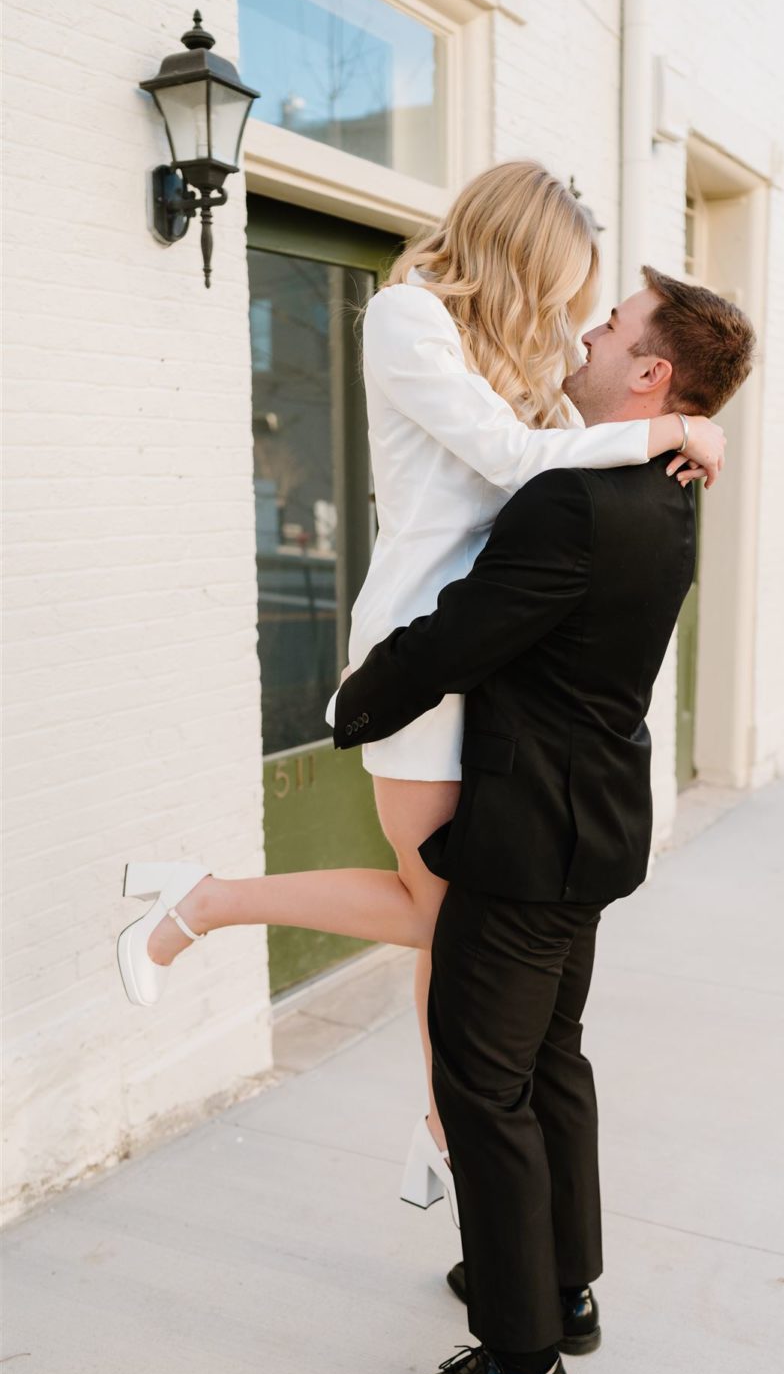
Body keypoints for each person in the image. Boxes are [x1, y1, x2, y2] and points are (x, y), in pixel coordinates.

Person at [116, 163, 725, 1221]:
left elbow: (550, 462)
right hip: (417, 654)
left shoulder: (515, 351)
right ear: (514, 255)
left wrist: (664, 428)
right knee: (441, 915)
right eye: (559, 283)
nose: (568, 318)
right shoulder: (405, 319)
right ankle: (204, 906)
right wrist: (669, 429)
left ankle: (430, 1110)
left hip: (483, 660)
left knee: (451, 917)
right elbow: (513, 459)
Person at [332, 265, 756, 1374]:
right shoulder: (666, 486)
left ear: (650, 371)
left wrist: (352, 708)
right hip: (595, 827)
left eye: (612, 326)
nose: (588, 332)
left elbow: (461, 637)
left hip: (524, 840)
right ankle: (559, 1291)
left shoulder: (574, 500)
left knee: (482, 1083)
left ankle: (518, 1370)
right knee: (549, 1060)